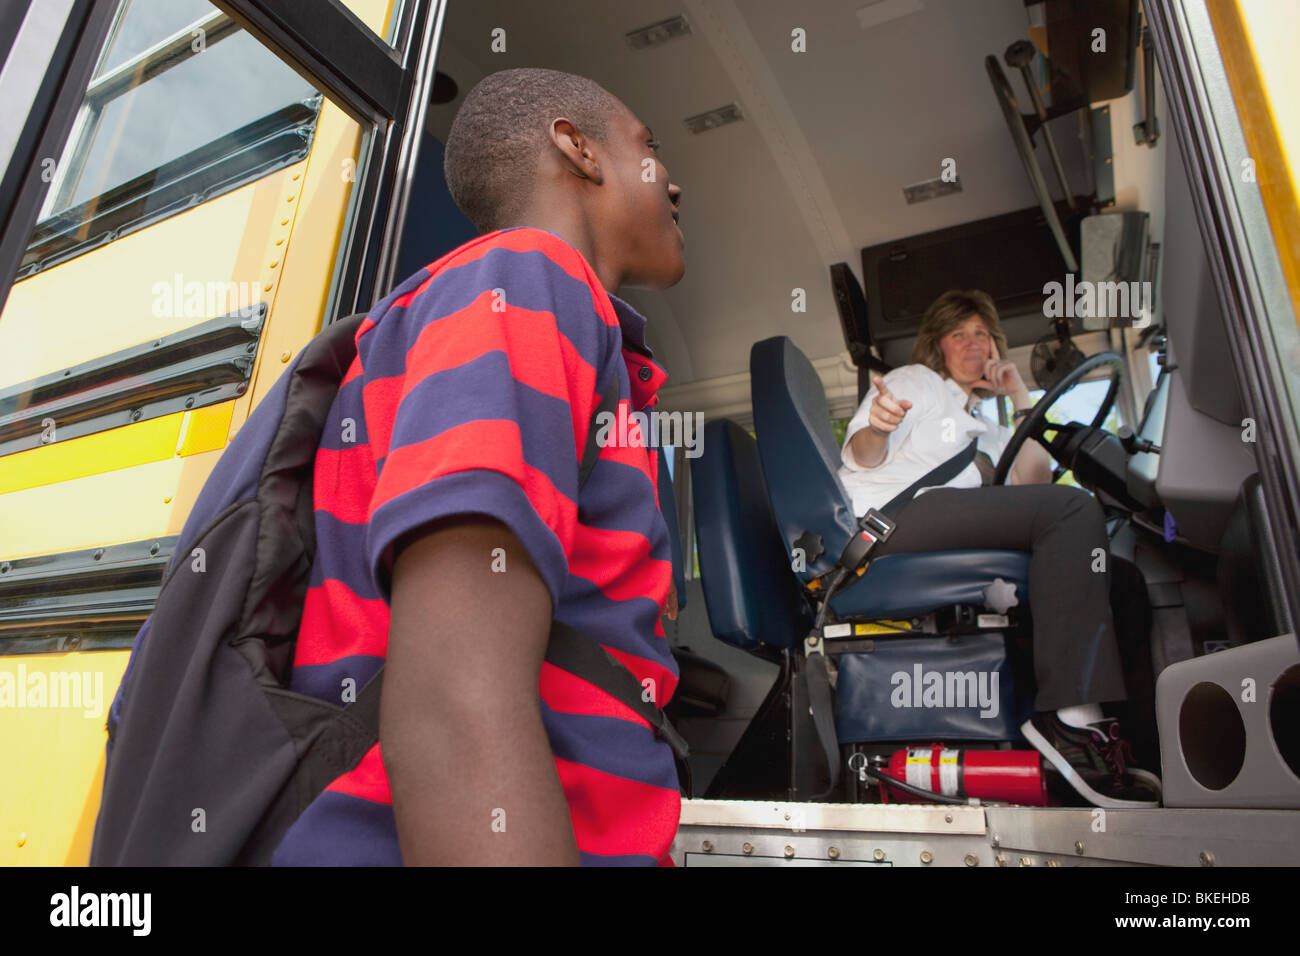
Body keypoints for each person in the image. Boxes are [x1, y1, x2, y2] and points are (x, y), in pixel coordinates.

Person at [270, 69, 686, 865]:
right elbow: (454, 697)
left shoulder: (556, 313)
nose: (673, 176)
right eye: (649, 147)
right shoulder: (526, 282)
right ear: (578, 149)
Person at [839, 289, 1160, 808]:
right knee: (1073, 509)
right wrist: (877, 428)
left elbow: (1031, 484)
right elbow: (861, 458)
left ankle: (1133, 746)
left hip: (947, 525)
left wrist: (1017, 395)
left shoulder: (989, 428)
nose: (972, 344)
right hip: (887, 524)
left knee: (1122, 580)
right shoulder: (914, 382)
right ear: (937, 346)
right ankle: (1070, 725)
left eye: (981, 334)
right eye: (958, 334)